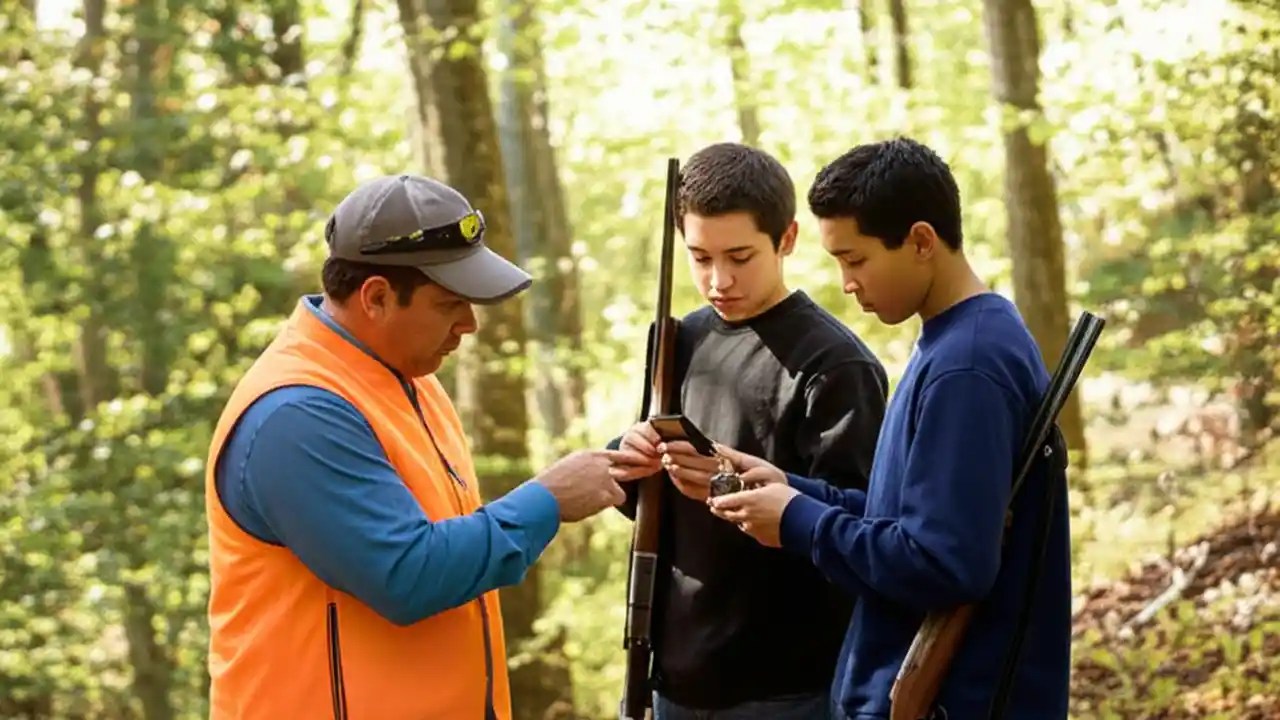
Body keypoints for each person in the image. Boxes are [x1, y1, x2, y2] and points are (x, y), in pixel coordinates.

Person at [203, 174, 626, 720]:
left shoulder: (408, 378)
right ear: (376, 297)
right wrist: (548, 500)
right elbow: (408, 576)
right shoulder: (297, 415)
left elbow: (453, 551)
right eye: (450, 304)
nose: (469, 325)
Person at [706, 137, 1072, 719]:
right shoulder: (959, 342)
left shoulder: (968, 367)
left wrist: (799, 522)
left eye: (856, 260)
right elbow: (908, 517)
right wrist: (791, 489)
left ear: (922, 241)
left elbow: (943, 564)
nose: (848, 284)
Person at [607, 142, 888, 719]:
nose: (718, 280)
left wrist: (730, 486)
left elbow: (863, 527)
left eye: (739, 256)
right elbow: (648, 500)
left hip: (788, 685)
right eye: (700, 257)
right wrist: (629, 457)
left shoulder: (834, 364)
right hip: (676, 676)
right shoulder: (677, 341)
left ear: (786, 239)